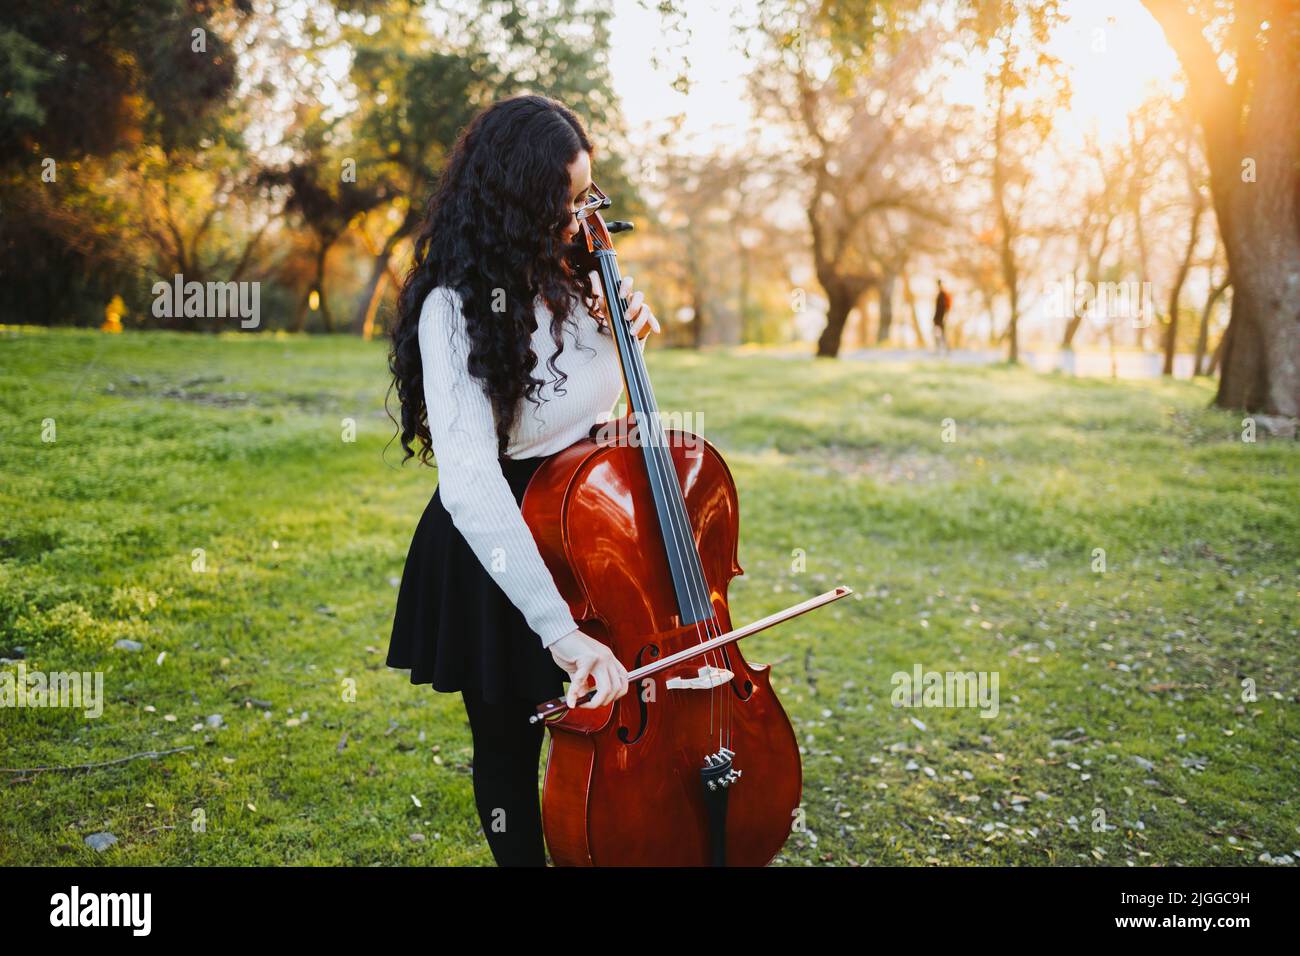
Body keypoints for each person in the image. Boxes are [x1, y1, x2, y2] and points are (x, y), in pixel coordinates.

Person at [385, 95, 660, 866]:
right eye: (567, 203)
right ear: (517, 202)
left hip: (588, 530)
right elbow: (470, 481)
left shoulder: (579, 278)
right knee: (510, 750)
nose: (583, 219)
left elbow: (587, 410)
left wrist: (628, 330)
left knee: (615, 731)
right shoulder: (453, 308)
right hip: (499, 546)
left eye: (588, 196)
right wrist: (560, 630)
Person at [933, 279, 951, 355]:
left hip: (941, 318)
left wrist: (944, 317)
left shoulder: (943, 295)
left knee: (942, 334)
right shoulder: (940, 294)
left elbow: (946, 307)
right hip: (937, 318)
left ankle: (945, 349)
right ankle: (939, 349)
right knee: (937, 333)